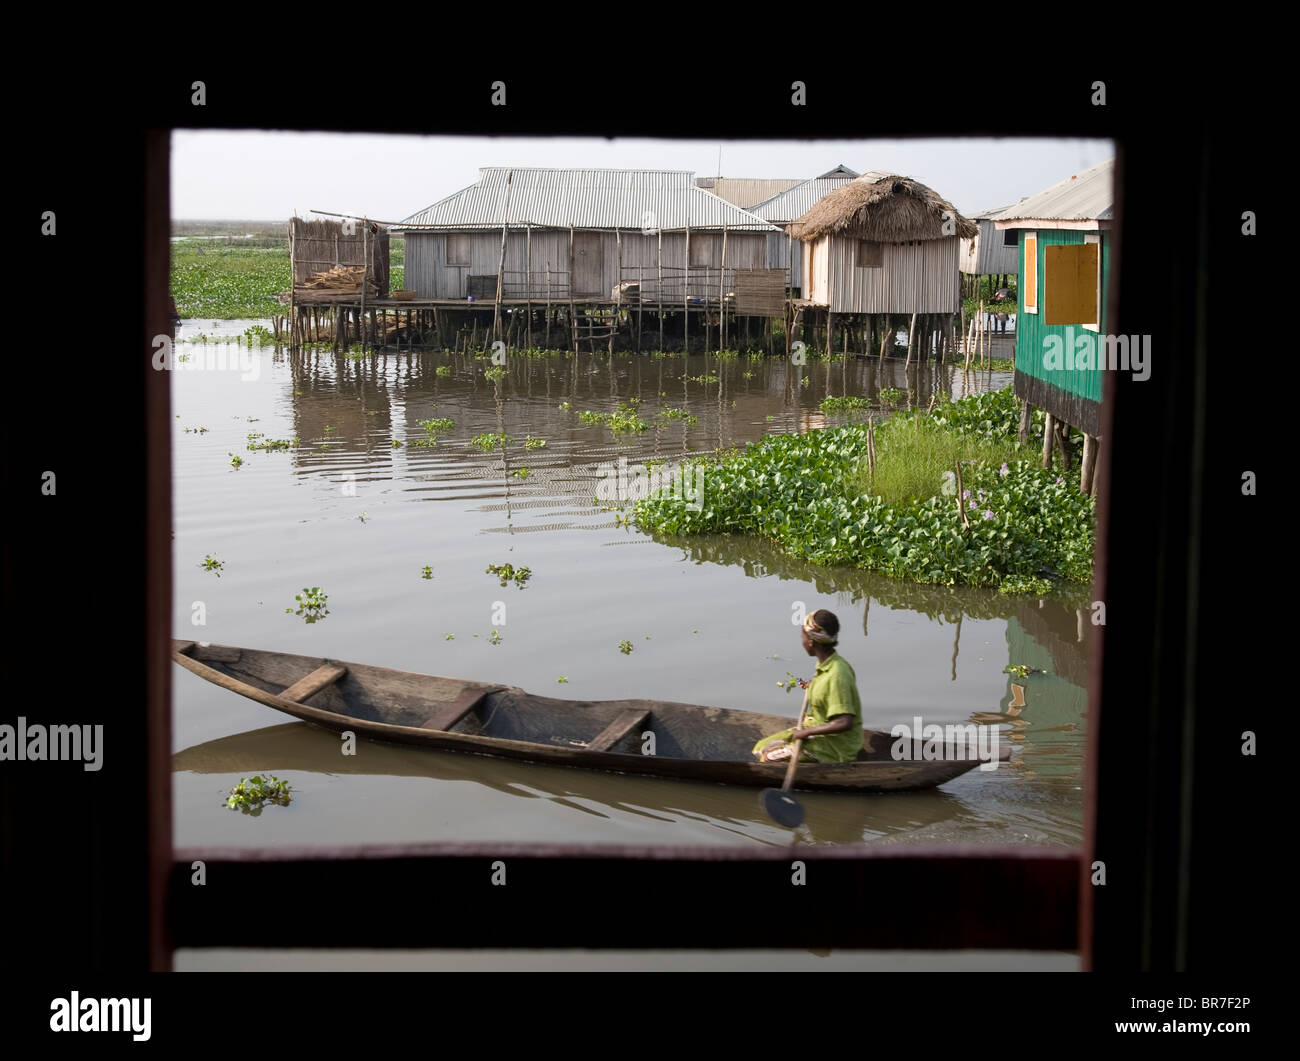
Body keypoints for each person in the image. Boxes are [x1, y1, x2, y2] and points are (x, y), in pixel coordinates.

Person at [752, 610, 863, 764]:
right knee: (760, 747)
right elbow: (827, 692)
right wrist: (813, 687)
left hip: (836, 746)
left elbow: (844, 722)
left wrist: (807, 732)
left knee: (767, 758)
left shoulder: (837, 673)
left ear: (811, 641)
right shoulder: (826, 664)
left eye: (802, 636)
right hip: (816, 728)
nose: (801, 640)